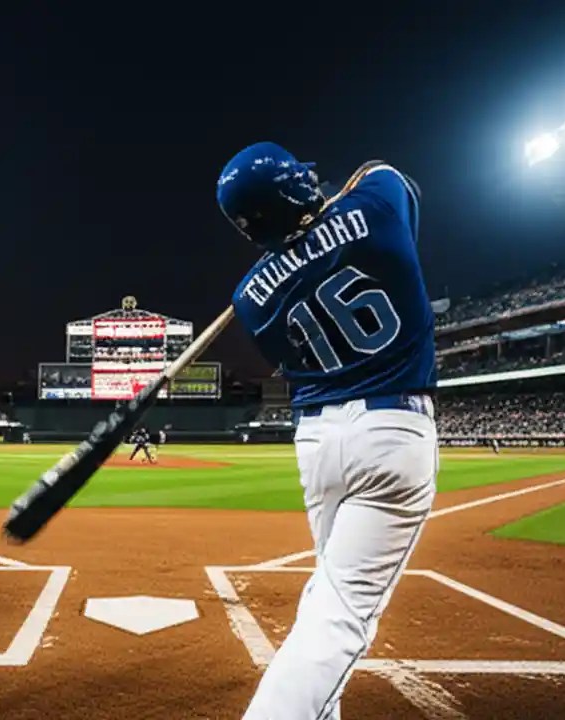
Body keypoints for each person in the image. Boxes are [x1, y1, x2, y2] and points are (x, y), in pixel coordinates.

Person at [218, 142, 437, 719]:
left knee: (325, 596)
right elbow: (387, 170)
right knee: (339, 617)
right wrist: (330, 211)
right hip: (393, 433)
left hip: (319, 444)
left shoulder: (248, 300)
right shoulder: (379, 208)